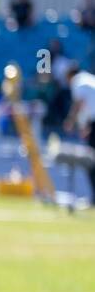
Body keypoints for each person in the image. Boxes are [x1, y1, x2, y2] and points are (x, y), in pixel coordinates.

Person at [63, 66, 95, 201]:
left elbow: (79, 103)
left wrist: (71, 121)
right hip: (91, 123)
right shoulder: (90, 79)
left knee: (90, 160)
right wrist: (85, 126)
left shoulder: (78, 81)